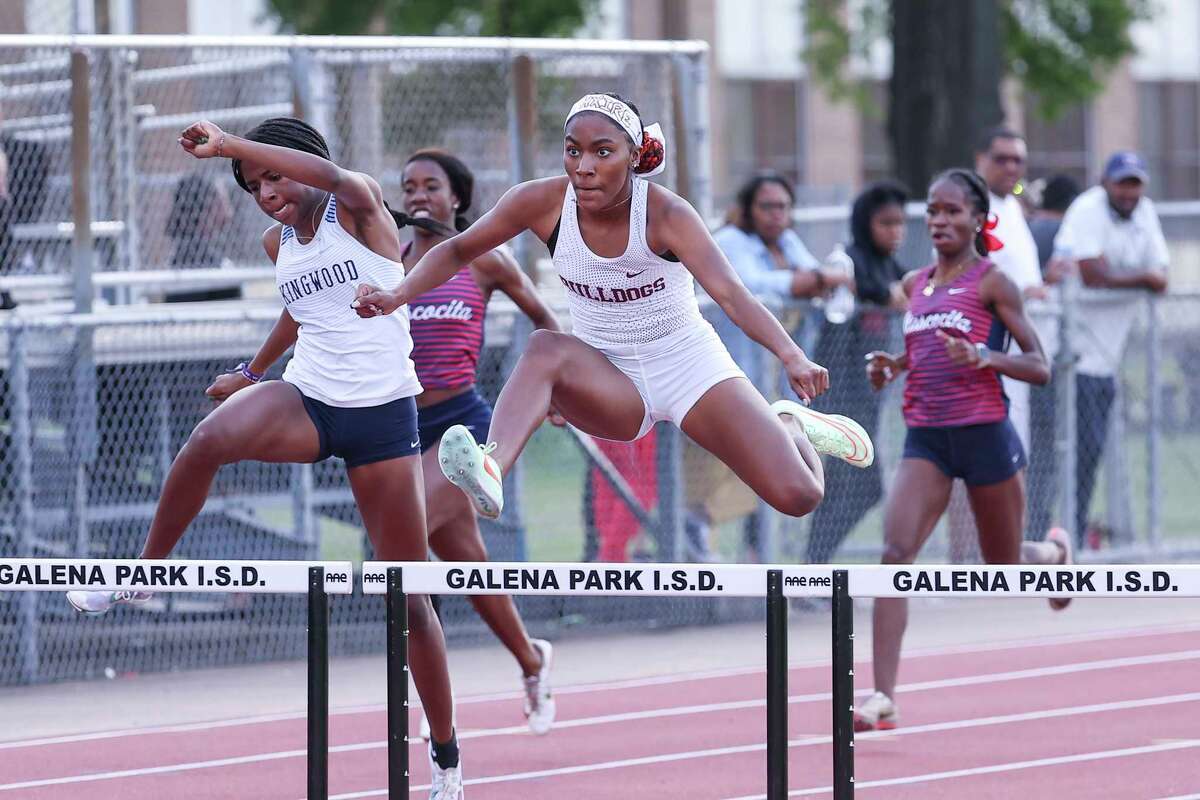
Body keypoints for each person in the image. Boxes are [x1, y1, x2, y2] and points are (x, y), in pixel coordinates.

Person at [66, 117, 465, 798]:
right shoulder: (277, 242)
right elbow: (298, 309)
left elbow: (330, 176)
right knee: (207, 441)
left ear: (302, 163)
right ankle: (145, 572)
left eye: (274, 177)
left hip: (380, 417)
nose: (266, 194)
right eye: (253, 188)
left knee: (411, 600)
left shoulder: (357, 204)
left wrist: (228, 145)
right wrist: (252, 372)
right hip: (310, 399)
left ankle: (447, 757)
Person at [355, 92, 874, 542]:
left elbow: (733, 295)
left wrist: (792, 355)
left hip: (688, 367)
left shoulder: (667, 214)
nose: (583, 166)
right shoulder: (540, 202)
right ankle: (491, 465)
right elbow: (456, 249)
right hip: (610, 376)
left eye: (602, 152)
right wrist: (398, 294)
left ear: (634, 157)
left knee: (800, 495)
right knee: (545, 346)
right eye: (573, 151)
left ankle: (788, 424)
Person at [855, 168, 1070, 733]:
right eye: (933, 210)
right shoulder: (915, 284)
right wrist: (893, 366)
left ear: (978, 219)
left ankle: (1050, 555)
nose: (939, 220)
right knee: (894, 555)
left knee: (1001, 570)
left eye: (952, 211)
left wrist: (985, 357)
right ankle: (882, 695)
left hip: (984, 434)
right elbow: (926, 348)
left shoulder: (993, 283)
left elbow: (1040, 366)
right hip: (926, 436)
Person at [693, 172, 855, 560]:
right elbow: (750, 288)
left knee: (781, 460)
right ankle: (694, 528)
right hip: (728, 376)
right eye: (767, 206)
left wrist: (815, 278)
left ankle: (748, 548)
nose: (776, 215)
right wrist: (814, 279)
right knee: (736, 466)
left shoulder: (787, 242)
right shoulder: (731, 241)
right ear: (749, 209)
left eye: (783, 207)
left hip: (777, 386)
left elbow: (817, 278)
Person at [1052, 151, 1169, 548]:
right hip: (1070, 355)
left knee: (1090, 454)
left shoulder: (1145, 213)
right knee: (1069, 454)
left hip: (1107, 358)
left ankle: (1071, 538)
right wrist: (1142, 277)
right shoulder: (1088, 209)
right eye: (1122, 183)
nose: (1128, 192)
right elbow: (1092, 273)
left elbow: (1162, 276)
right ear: (1105, 182)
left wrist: (1131, 276)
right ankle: (1056, 536)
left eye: (1135, 184)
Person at [807, 181, 910, 563]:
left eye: (900, 223)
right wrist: (883, 295)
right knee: (860, 481)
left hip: (868, 395)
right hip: (841, 391)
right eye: (886, 223)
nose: (896, 232)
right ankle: (813, 564)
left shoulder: (886, 263)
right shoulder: (849, 260)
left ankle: (815, 564)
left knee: (850, 484)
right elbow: (863, 292)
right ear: (866, 223)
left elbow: (911, 289)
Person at [1025, 173, 1081, 538]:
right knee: (1046, 449)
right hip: (1043, 356)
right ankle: (1036, 525)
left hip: (1020, 355)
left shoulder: (1026, 229)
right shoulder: (1057, 233)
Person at [163, 171, 241, 302]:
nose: (229, 212)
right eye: (221, 202)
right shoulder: (191, 254)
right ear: (206, 205)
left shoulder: (207, 248)